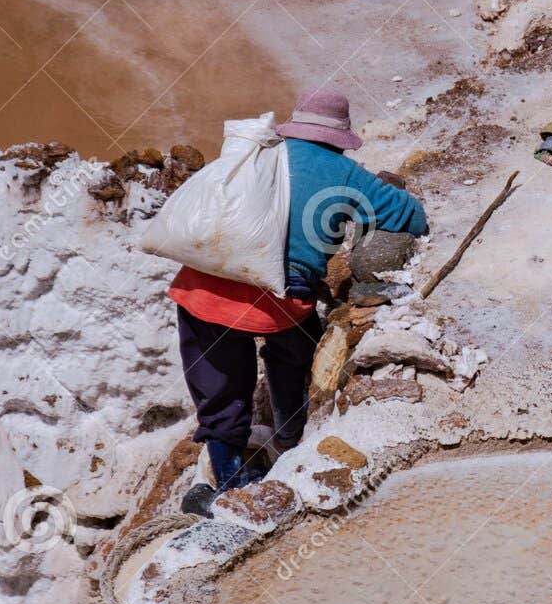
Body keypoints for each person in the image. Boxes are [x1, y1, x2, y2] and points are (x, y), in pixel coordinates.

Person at [169, 86, 429, 515]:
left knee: (218, 381)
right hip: (274, 298)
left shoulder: (257, 154)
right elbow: (410, 216)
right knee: (297, 347)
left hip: (201, 284)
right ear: (339, 137)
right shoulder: (344, 174)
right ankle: (290, 438)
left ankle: (229, 475)